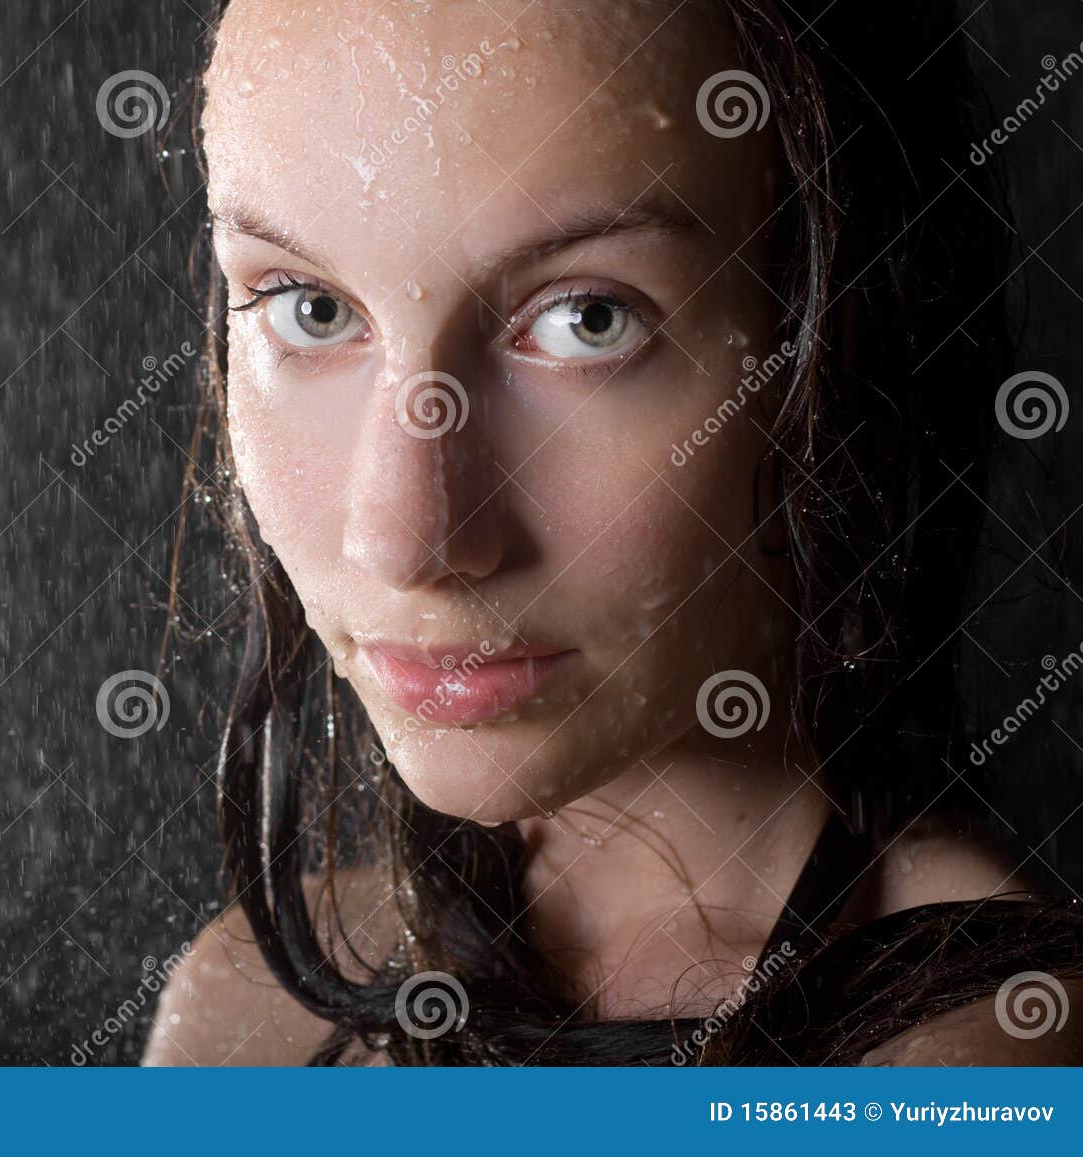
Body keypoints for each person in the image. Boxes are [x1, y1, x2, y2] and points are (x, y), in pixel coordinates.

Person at [142, 0, 1083, 1066]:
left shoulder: (981, 1059)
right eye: (308, 306)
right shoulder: (239, 1013)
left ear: (846, 348)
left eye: (587, 319)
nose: (406, 541)